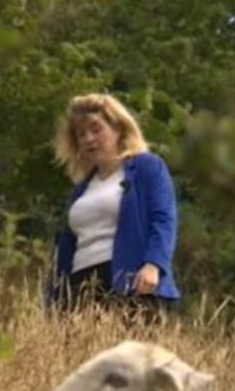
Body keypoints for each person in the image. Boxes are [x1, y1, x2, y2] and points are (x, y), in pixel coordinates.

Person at [45, 93, 180, 318]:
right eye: (81, 134)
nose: (89, 138)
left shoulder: (147, 167)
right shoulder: (82, 189)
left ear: (118, 129)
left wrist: (154, 264)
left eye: (96, 129)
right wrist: (54, 296)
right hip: (80, 286)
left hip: (129, 281)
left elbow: (164, 219)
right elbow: (68, 244)